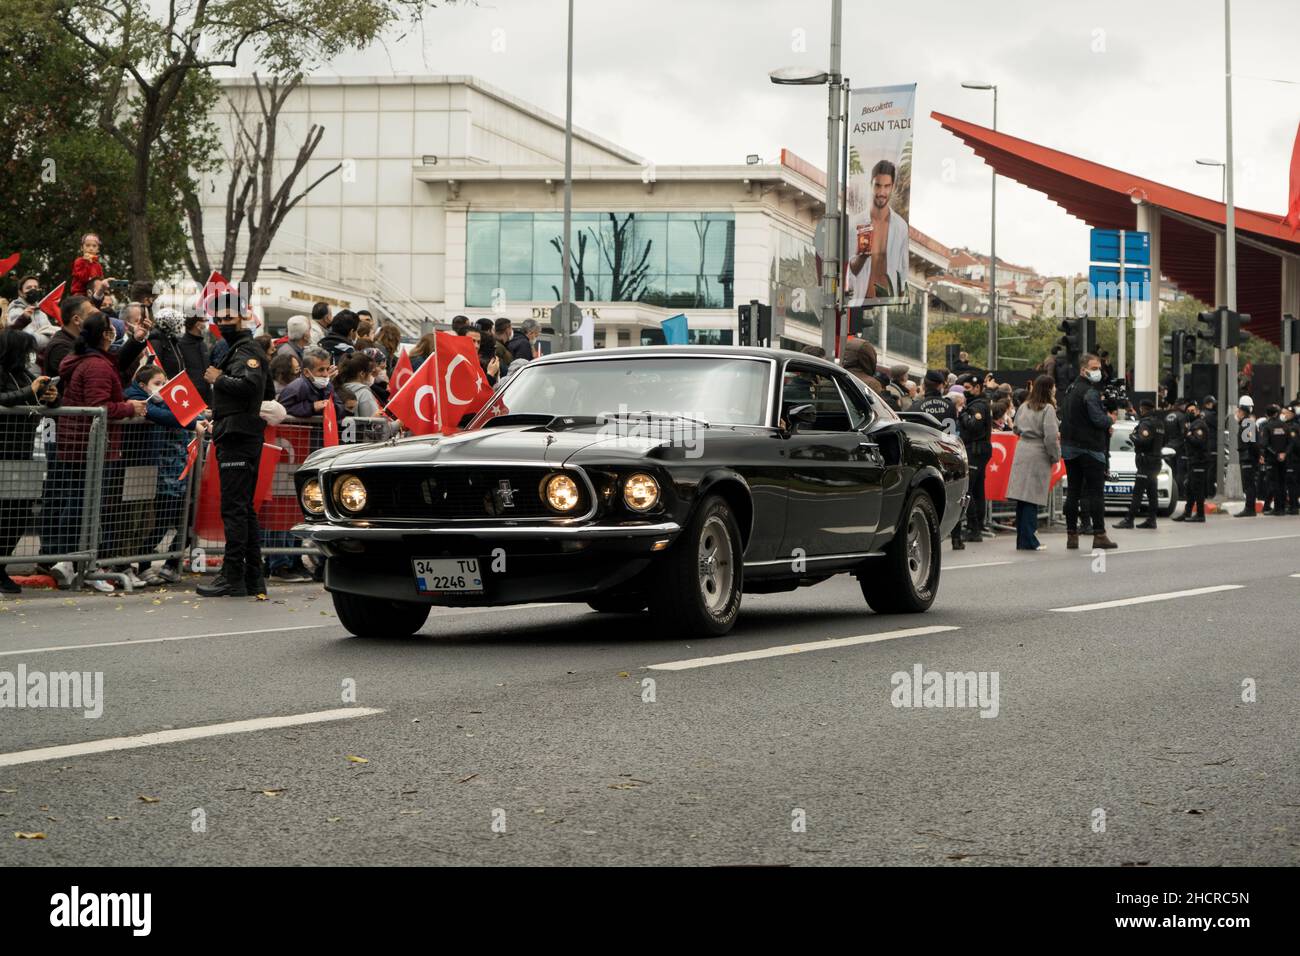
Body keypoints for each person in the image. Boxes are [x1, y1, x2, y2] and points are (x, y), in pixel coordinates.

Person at [57, 313, 149, 590]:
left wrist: (136, 341)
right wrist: (129, 408)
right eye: (112, 332)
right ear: (106, 335)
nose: (116, 337)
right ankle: (77, 564)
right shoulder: (96, 366)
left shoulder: (91, 360)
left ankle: (73, 563)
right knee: (84, 507)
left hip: (82, 445)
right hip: (90, 446)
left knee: (81, 505)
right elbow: (100, 407)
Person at [197, 291, 274, 598]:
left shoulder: (246, 349)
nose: (222, 321)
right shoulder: (239, 349)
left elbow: (253, 385)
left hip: (239, 435)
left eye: (228, 316)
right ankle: (252, 578)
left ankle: (232, 576)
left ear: (243, 315)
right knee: (243, 509)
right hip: (238, 432)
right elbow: (265, 389)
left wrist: (219, 379)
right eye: (218, 317)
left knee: (235, 509)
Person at [123, 364, 202, 586]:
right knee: (152, 523)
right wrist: (193, 421)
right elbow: (169, 417)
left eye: (165, 383)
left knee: (187, 523)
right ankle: (144, 565)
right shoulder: (137, 398)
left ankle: (169, 565)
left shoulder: (169, 401)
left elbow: (189, 413)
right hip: (156, 476)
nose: (164, 388)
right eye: (158, 384)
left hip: (179, 475)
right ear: (142, 385)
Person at [0, 329, 60, 593]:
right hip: (3, 452)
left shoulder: (24, 374)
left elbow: (38, 400)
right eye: (24, 351)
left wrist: (50, 397)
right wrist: (28, 392)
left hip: (21, 455)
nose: (28, 357)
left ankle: (1, 564)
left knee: (20, 512)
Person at [1059, 353, 1117, 550]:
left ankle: (1071, 535)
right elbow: (1098, 419)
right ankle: (1099, 534)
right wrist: (1110, 419)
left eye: (1099, 368)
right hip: (1090, 448)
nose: (1098, 372)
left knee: (1073, 492)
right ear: (1083, 369)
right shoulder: (1090, 392)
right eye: (1094, 368)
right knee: (1095, 493)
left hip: (1070, 448)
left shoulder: (1070, 389)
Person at [844, 159, 909, 305]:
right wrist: (862, 257)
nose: (881, 192)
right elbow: (850, 270)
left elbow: (903, 272)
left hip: (887, 305)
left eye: (886, 186)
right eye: (878, 186)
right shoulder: (856, 223)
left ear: (892, 187)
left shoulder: (901, 227)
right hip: (862, 301)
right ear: (871, 185)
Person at [1004, 374, 1059, 551]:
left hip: (1022, 450)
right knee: (1032, 498)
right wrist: (1055, 456)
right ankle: (1029, 540)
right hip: (1038, 452)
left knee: (1022, 498)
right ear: (1049, 389)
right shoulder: (1048, 409)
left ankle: (1022, 539)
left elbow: (1015, 428)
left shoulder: (1024, 406)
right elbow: (1050, 437)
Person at [1116, 398, 1164, 529]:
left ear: (1143, 409)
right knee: (1152, 491)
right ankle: (1152, 519)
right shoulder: (1159, 423)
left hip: (1145, 461)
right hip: (1156, 460)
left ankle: (1129, 519)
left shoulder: (1146, 424)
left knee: (1138, 492)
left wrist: (1132, 437)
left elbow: (1143, 441)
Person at [957, 374, 993, 543]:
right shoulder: (977, 404)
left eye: (968, 388)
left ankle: (974, 527)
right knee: (977, 489)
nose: (965, 391)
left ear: (977, 388)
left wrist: (962, 415)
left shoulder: (977, 406)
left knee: (969, 490)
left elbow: (974, 426)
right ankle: (977, 525)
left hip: (976, 450)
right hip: (978, 450)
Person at [278, 347, 351, 420]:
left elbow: (341, 408)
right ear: (306, 372)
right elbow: (281, 409)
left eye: (327, 369)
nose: (326, 374)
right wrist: (312, 407)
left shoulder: (328, 386)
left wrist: (332, 407)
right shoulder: (296, 388)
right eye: (321, 370)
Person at [1173, 402, 1211, 522]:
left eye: (1193, 410)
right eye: (1188, 411)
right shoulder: (1191, 425)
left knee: (1197, 488)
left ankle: (1200, 514)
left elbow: (1199, 442)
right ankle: (1187, 512)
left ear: (1198, 411)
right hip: (1193, 460)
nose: (1191, 412)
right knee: (1190, 487)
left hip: (1199, 461)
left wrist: (1189, 436)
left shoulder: (1199, 424)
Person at [1232, 395, 1260, 517]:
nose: (1237, 413)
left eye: (1238, 410)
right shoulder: (1246, 423)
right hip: (1248, 456)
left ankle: (1249, 508)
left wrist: (1257, 456)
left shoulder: (1247, 423)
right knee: (1249, 484)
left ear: (1243, 410)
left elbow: (1252, 443)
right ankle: (1250, 508)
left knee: (1249, 484)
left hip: (1248, 457)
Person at [338, 352, 382, 418]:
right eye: (370, 372)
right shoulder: (364, 394)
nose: (372, 376)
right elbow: (376, 425)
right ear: (362, 374)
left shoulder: (338, 388)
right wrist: (397, 424)